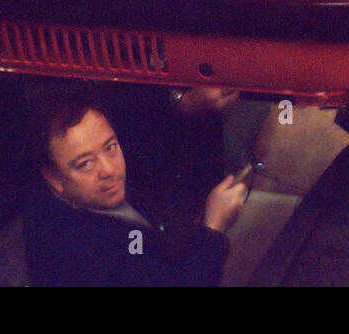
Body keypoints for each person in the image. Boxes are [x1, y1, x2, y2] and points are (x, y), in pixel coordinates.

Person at [22, 86, 248, 286]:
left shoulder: (61, 191)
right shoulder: (82, 254)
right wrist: (213, 228)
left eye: (110, 147)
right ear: (53, 179)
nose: (109, 170)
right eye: (85, 164)